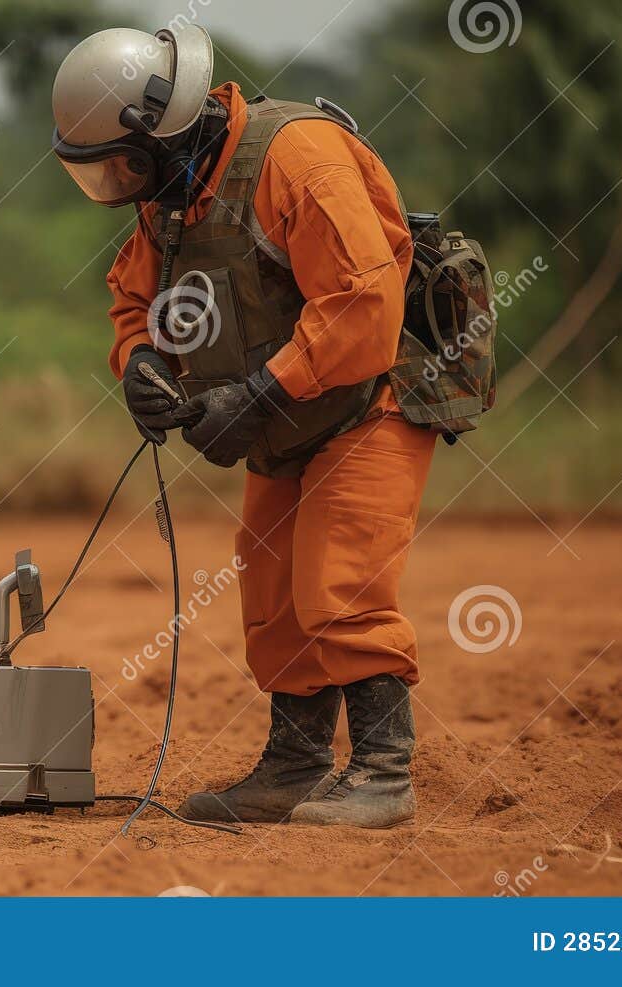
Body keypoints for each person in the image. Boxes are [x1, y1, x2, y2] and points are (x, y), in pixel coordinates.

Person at [50, 24, 438, 827]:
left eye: (125, 165)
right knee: (270, 594)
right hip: (285, 419)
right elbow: (134, 303)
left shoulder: (298, 160)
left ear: (164, 128)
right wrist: (143, 365)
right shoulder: (174, 193)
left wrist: (257, 396)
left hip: (371, 399)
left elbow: (365, 305)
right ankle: (295, 766)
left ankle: (384, 773)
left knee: (340, 582)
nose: (121, 186)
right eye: (102, 174)